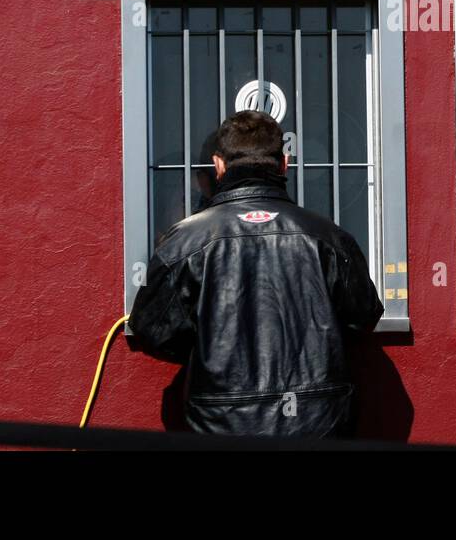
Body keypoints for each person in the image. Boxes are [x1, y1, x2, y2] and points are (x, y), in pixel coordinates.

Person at [129, 110, 383, 438]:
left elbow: (153, 329)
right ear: (284, 163)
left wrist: (205, 346)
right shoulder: (330, 238)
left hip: (223, 423)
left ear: (219, 165)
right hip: (320, 423)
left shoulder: (186, 242)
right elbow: (362, 317)